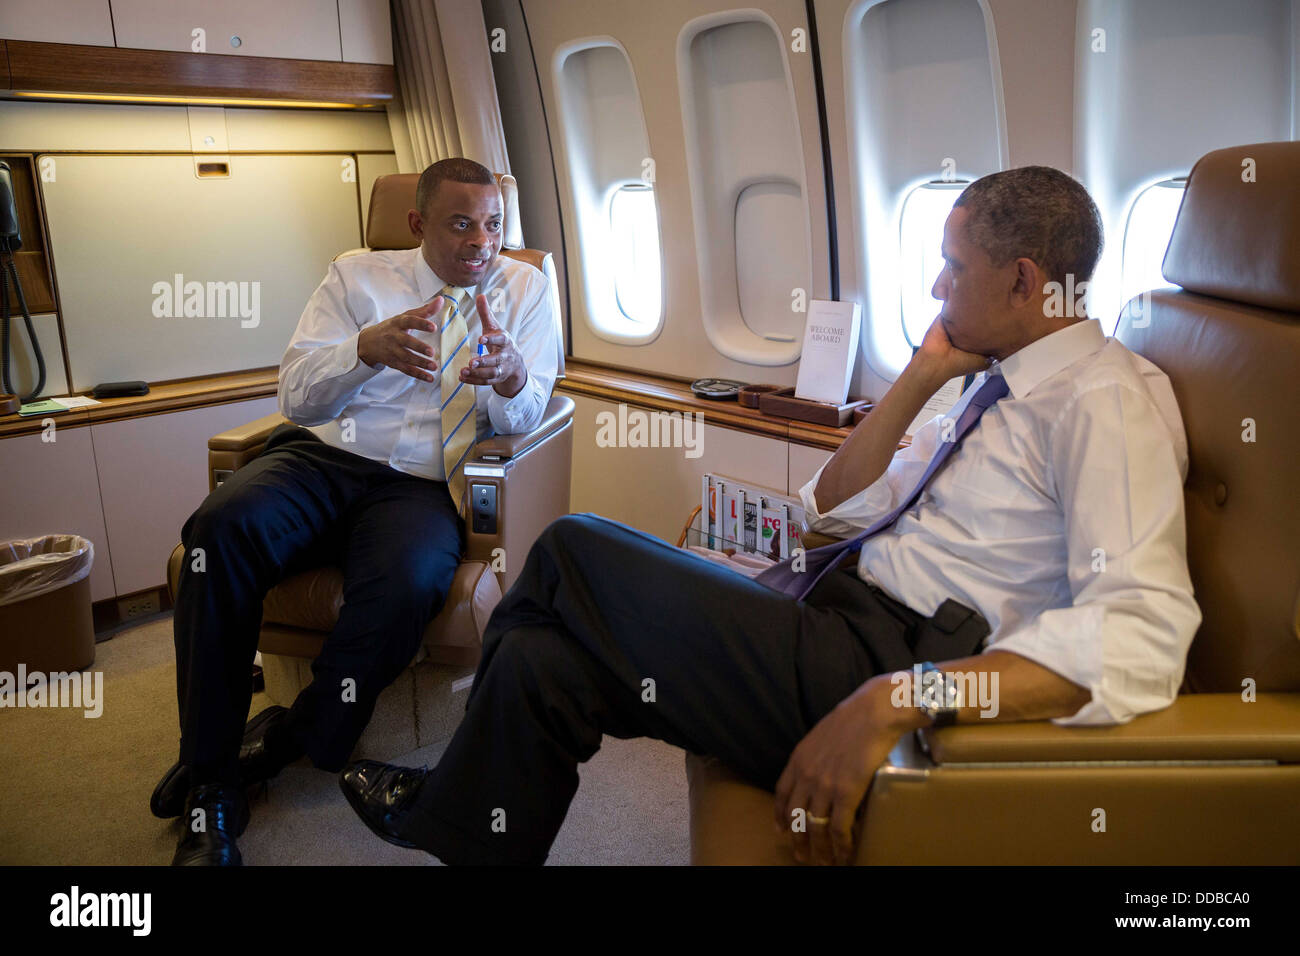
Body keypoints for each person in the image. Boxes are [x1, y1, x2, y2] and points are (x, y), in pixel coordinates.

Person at [339, 165, 1201, 866]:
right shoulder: (984, 382)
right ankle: (466, 835)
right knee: (537, 658)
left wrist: (902, 698)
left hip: (889, 657)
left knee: (570, 549)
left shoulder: (1105, 400)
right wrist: (920, 378)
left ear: (1023, 280)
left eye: (954, 266)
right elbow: (832, 506)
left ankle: (438, 804)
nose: (937, 285)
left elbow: (1140, 631)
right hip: (829, 608)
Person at [152, 157, 560, 866]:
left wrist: (514, 376)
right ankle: (212, 787)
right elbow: (297, 396)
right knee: (217, 535)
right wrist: (363, 350)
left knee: (407, 583)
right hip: (323, 459)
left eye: (493, 225)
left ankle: (293, 736)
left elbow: (529, 411)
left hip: (420, 484)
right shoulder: (357, 276)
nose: (481, 242)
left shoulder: (525, 289)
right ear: (417, 223)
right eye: (461, 223)